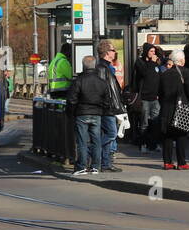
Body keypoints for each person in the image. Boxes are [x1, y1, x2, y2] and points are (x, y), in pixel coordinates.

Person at [67, 53, 112, 176]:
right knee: (96, 140)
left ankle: (82, 166)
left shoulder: (78, 81)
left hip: (81, 113)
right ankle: (95, 166)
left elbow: (72, 100)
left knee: (82, 141)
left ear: (83, 66)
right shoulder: (102, 82)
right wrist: (102, 109)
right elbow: (107, 100)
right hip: (97, 114)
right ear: (95, 66)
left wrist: (71, 113)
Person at [159, 48, 189, 170]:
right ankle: (181, 162)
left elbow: (160, 92)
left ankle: (167, 162)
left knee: (167, 135)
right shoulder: (186, 72)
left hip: (166, 107)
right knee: (181, 134)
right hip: (181, 107)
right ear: (181, 60)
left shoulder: (165, 73)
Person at [94, 40, 124, 173]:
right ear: (107, 53)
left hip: (109, 107)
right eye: (113, 50)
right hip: (106, 108)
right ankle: (95, 155)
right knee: (111, 133)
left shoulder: (105, 67)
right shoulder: (101, 68)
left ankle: (105, 163)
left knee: (109, 133)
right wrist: (108, 105)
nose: (115, 52)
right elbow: (102, 89)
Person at [129, 43, 163, 151]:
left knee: (155, 122)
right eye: (151, 51)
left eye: (154, 52)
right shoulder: (140, 62)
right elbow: (145, 73)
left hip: (154, 97)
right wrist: (152, 62)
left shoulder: (156, 64)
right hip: (144, 97)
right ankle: (143, 144)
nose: (153, 54)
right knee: (144, 123)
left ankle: (154, 143)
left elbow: (157, 78)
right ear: (146, 52)